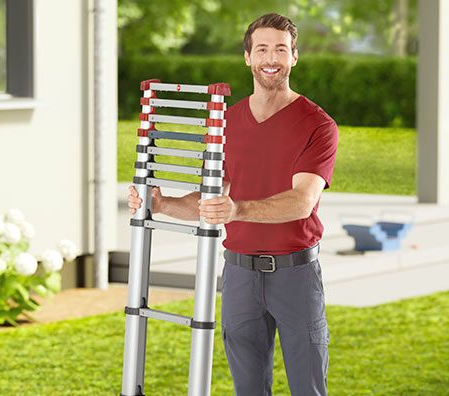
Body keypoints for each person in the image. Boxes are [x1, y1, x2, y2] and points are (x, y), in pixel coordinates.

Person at [128, 13, 338, 396]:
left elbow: (302, 202)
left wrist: (237, 210)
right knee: (248, 389)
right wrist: (161, 203)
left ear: (294, 57)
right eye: (261, 49)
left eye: (280, 49)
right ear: (247, 57)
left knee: (307, 388)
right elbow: (212, 200)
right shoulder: (228, 121)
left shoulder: (317, 125)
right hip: (239, 275)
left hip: (294, 275)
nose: (270, 58)